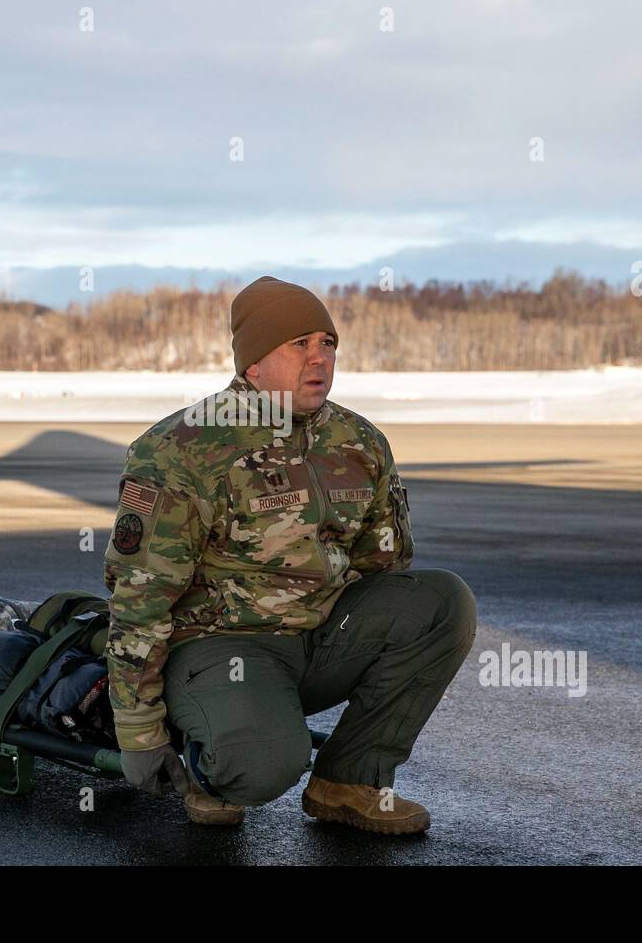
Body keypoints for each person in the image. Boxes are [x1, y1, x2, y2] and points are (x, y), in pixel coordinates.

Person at [103, 275, 477, 833]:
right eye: (298, 344)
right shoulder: (184, 448)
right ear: (253, 364)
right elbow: (140, 597)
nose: (319, 359)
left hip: (317, 641)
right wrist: (139, 731)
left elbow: (385, 567)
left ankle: (348, 780)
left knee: (442, 601)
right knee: (263, 769)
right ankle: (215, 765)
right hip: (219, 647)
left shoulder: (358, 442)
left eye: (327, 344)